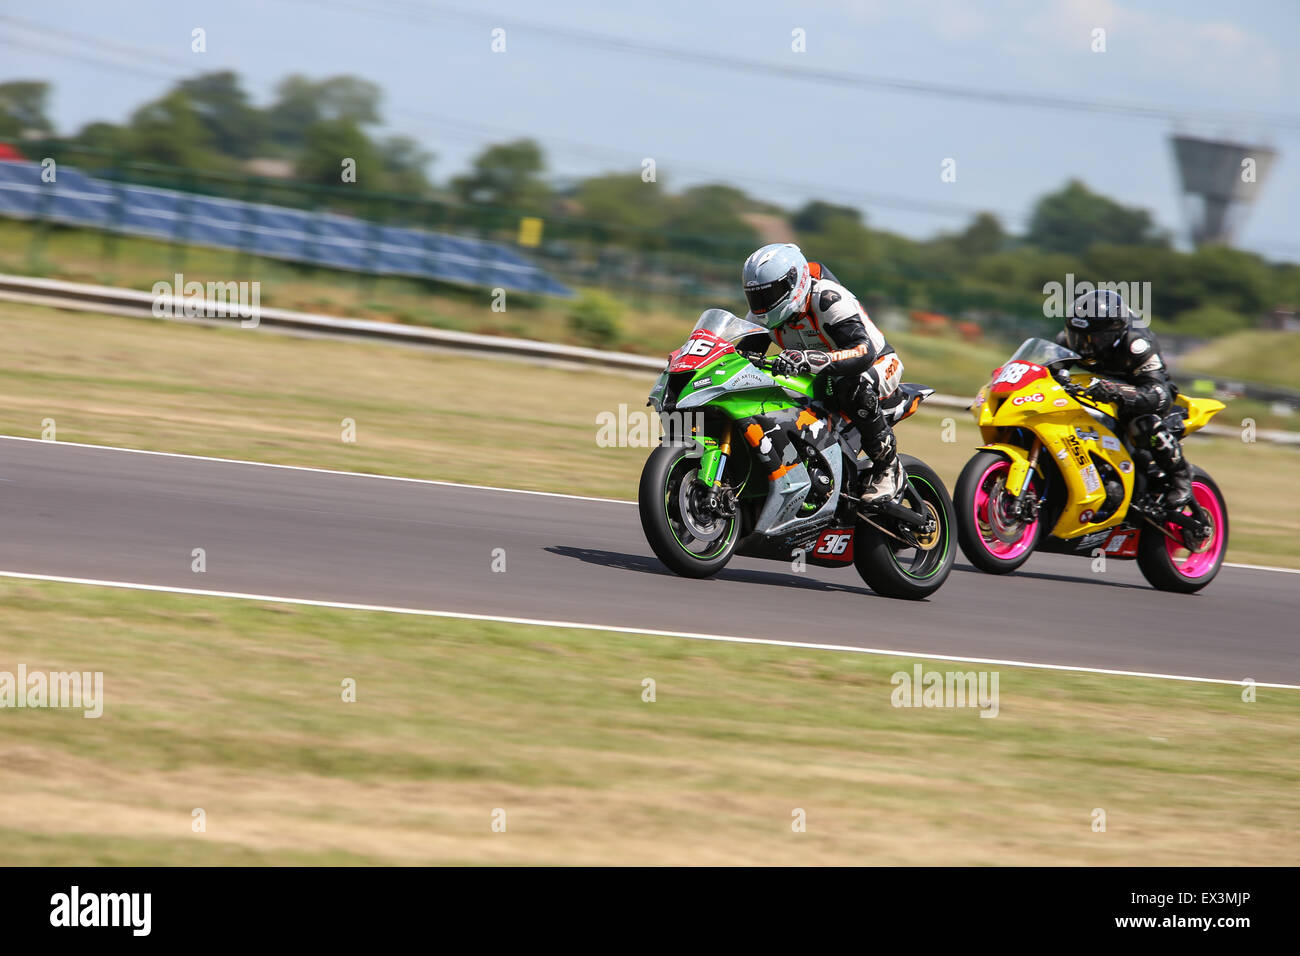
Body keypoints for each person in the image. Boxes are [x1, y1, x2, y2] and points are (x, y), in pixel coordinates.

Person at [738, 242, 905, 504]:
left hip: (877, 365)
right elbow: (742, 359)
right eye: (756, 296)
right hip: (820, 377)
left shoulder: (827, 298)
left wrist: (812, 359)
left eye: (772, 293)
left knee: (851, 386)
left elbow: (863, 351)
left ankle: (888, 467)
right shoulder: (761, 316)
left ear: (795, 281)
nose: (764, 304)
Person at [1056, 288, 1194, 510]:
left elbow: (1160, 394)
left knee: (1143, 423)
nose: (1084, 346)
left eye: (1095, 339)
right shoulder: (1066, 341)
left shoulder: (1138, 344)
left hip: (1141, 391)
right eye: (1078, 337)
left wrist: (1118, 392)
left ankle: (1181, 476)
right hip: (1096, 390)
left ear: (1115, 334)